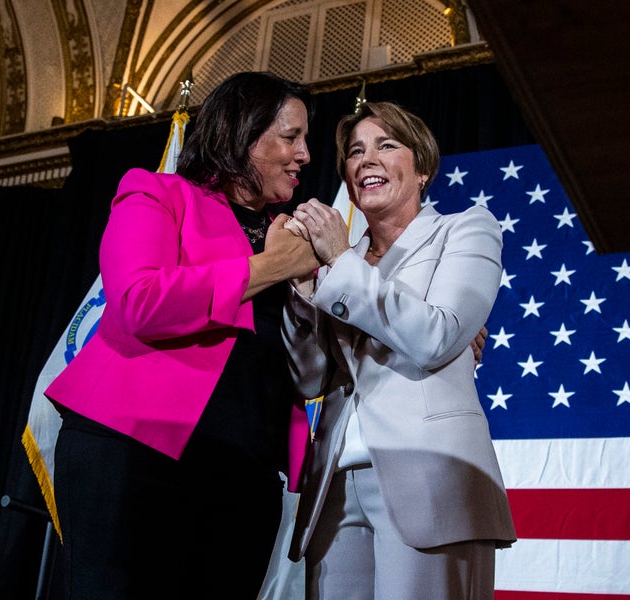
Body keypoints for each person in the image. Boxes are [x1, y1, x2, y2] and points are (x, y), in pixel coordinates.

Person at [43, 71, 322, 599]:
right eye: (290, 137)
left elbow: (310, 369)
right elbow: (139, 302)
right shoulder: (157, 192)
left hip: (247, 471)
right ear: (243, 136)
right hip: (133, 448)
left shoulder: (294, 239)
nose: (304, 154)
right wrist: (266, 268)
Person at [282, 101, 516, 599]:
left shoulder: (467, 229)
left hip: (431, 480)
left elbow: (437, 336)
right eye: (355, 151)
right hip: (335, 488)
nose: (367, 159)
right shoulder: (336, 267)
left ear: (422, 167)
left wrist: (342, 262)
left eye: (386, 145)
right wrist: (304, 290)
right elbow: (310, 379)